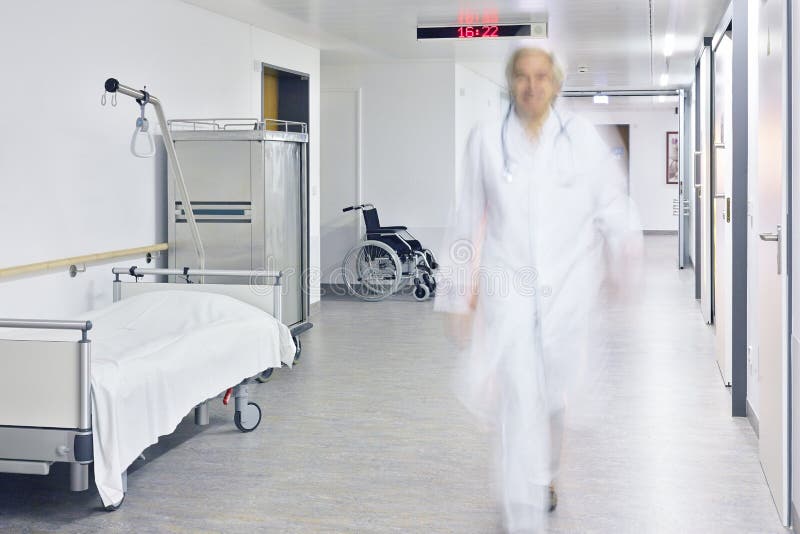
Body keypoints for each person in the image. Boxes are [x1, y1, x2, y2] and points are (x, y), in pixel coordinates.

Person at [435, 46, 642, 532]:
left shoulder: (582, 139)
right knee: (516, 392)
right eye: (523, 76)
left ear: (556, 82)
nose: (532, 86)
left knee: (552, 394)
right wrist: (458, 293)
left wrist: (623, 255)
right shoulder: (487, 139)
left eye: (541, 76)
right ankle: (520, 506)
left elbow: (613, 203)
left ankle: (545, 476)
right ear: (511, 81)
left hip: (567, 290)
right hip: (509, 288)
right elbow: (466, 217)